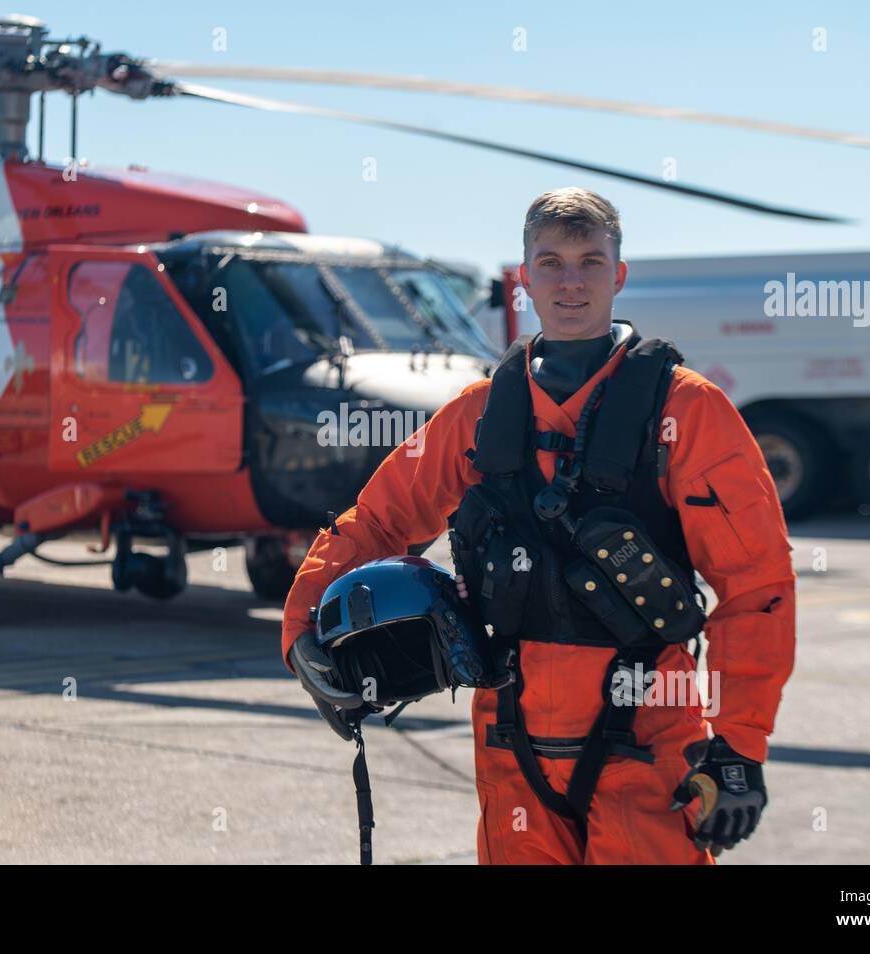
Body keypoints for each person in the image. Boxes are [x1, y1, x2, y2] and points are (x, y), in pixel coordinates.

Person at [282, 187, 796, 864]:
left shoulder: (687, 412)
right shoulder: (478, 414)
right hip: (511, 741)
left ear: (619, 274)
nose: (571, 281)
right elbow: (378, 520)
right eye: (550, 262)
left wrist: (738, 746)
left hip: (645, 738)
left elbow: (756, 584)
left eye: (590, 260)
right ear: (524, 278)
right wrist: (301, 626)